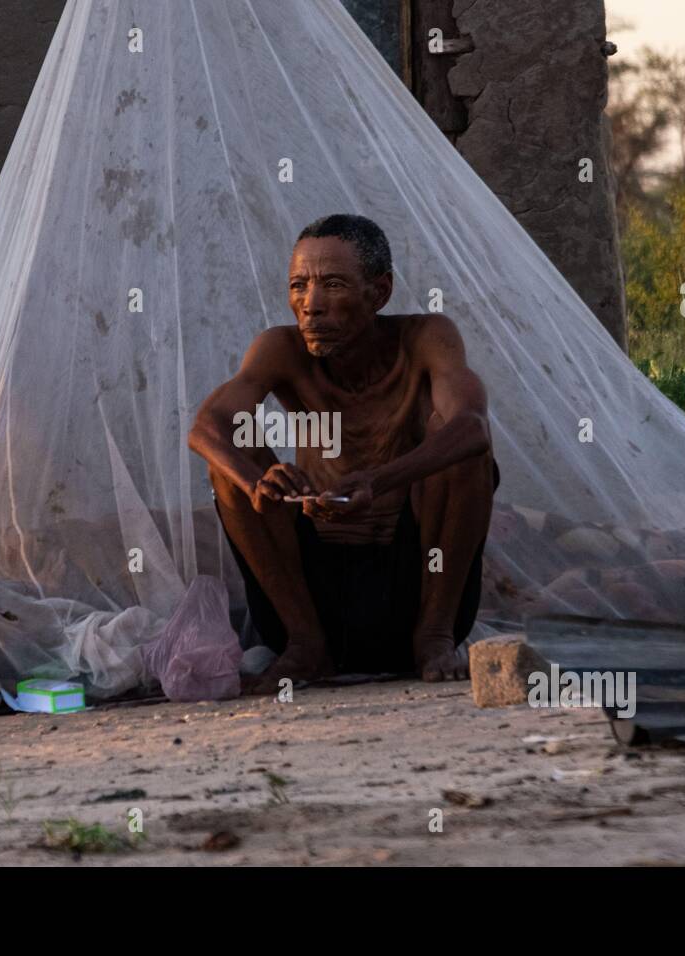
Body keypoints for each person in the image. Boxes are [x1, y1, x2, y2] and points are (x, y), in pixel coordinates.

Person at [188, 214, 497, 691]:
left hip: (410, 593)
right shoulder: (280, 348)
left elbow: (473, 429)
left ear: (379, 293)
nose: (309, 305)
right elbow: (206, 427)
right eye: (298, 285)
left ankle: (435, 638)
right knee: (234, 453)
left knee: (460, 449)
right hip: (313, 599)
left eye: (331, 284)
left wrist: (378, 480)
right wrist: (259, 486)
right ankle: (306, 647)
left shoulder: (426, 338)